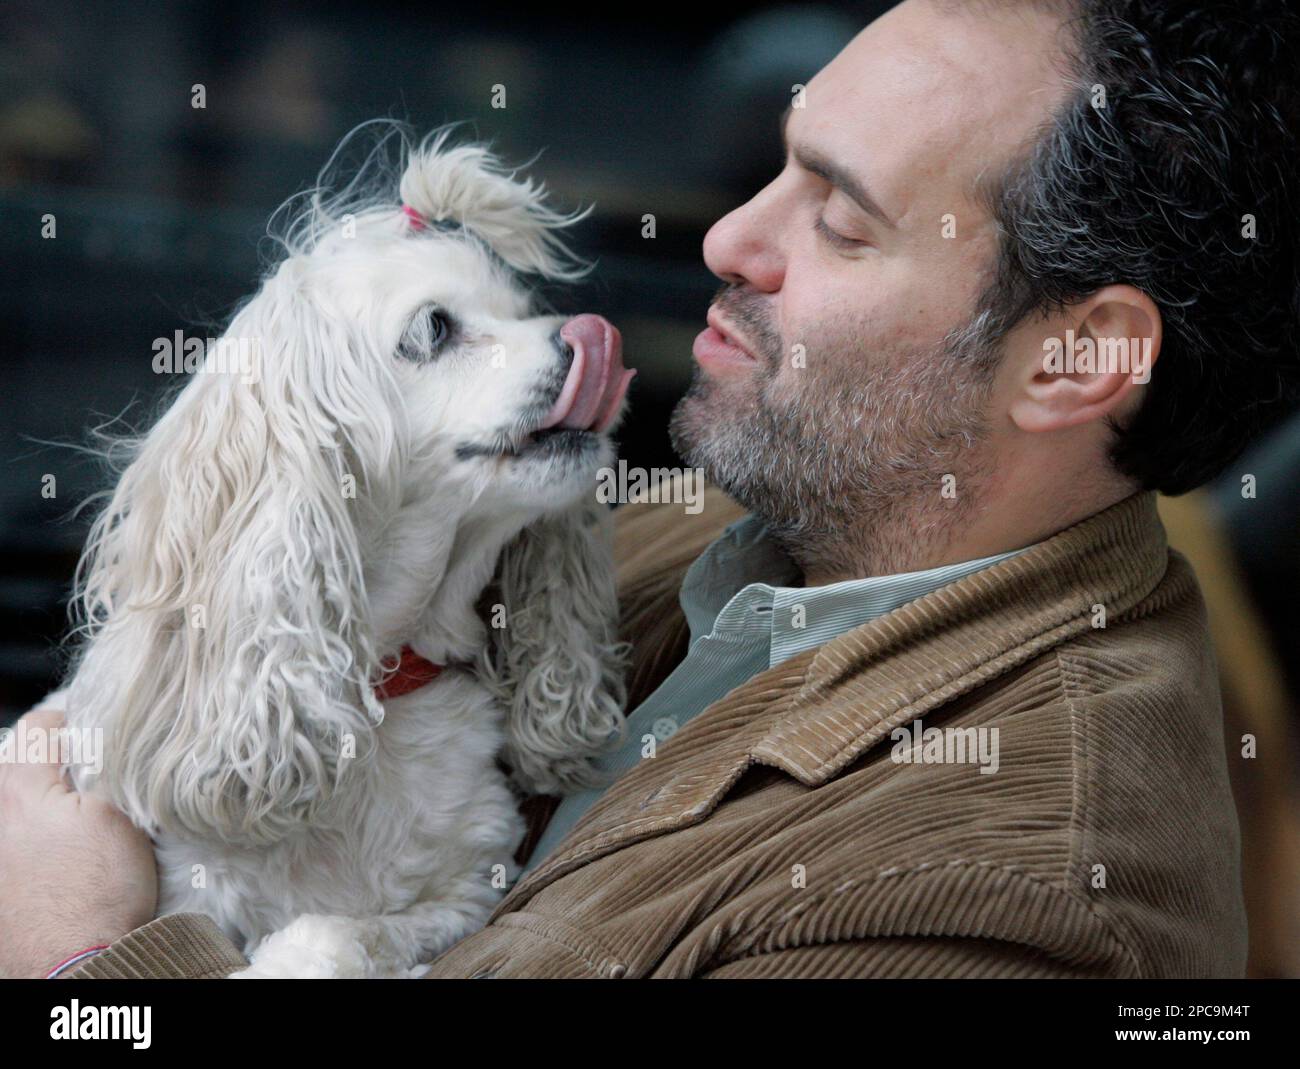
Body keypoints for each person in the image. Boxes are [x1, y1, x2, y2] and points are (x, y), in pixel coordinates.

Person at [3, 0, 1296, 978]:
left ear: (1075, 357)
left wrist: (78, 961)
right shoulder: (697, 536)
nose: (731, 238)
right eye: (777, 165)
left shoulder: (992, 898)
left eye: (841, 222)